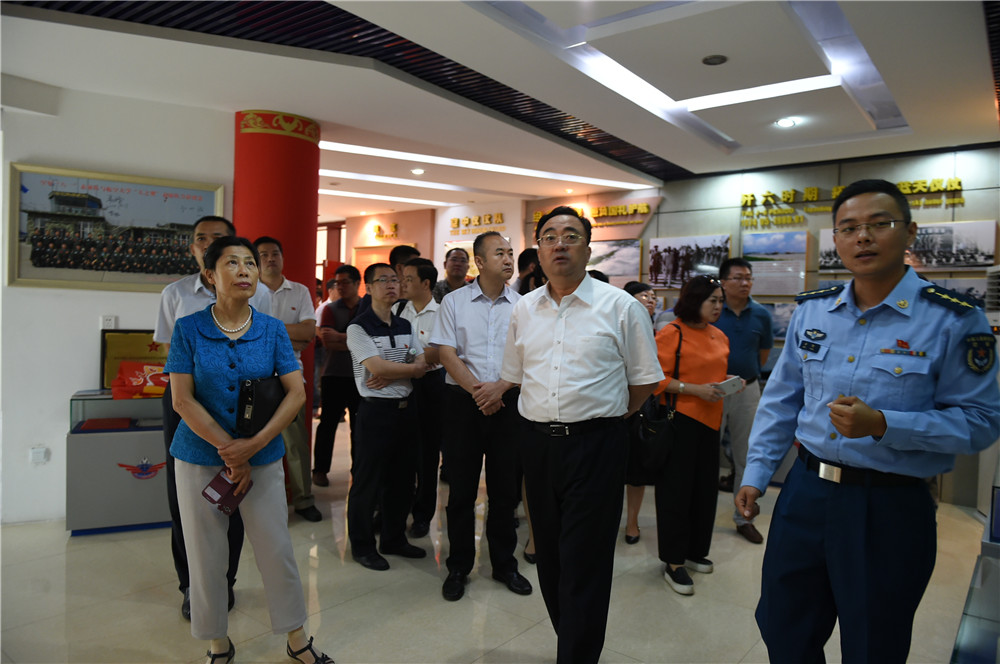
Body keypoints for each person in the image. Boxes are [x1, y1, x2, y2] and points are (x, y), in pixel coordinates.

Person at [736, 179, 1000, 663]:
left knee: (874, 642)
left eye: (880, 224)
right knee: (782, 626)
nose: (863, 237)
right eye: (849, 228)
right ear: (835, 239)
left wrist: (885, 424)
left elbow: (981, 422)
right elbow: (781, 401)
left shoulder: (954, 320)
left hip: (890, 507)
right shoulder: (814, 310)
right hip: (805, 494)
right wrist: (756, 473)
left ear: (909, 233)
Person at [500, 206, 663, 664]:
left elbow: (645, 381)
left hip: (597, 444)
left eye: (571, 236)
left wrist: (607, 418)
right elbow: (517, 376)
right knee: (549, 558)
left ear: (588, 249)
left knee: (585, 562)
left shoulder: (621, 307)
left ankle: (576, 655)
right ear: (538, 248)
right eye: (549, 236)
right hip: (537, 443)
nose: (559, 244)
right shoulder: (525, 309)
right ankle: (571, 642)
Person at [164, 236, 332, 664]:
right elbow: (181, 400)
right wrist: (228, 449)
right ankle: (217, 642)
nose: (245, 271)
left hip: (263, 457)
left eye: (250, 264)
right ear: (209, 275)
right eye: (232, 263)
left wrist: (253, 445)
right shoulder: (188, 329)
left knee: (276, 549)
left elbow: (296, 393)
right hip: (199, 457)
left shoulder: (272, 329)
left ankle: (297, 640)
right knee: (205, 553)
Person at [153, 215, 272, 620]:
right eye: (201, 239)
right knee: (183, 494)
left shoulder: (260, 292)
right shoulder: (176, 294)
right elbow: (170, 351)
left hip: (245, 401)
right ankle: (192, 585)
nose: (208, 243)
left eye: (218, 238)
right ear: (194, 250)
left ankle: (225, 581)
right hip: (186, 398)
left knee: (234, 492)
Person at [431, 231, 531, 601]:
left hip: (509, 404)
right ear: (480, 261)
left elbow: (528, 357)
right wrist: (479, 391)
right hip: (463, 405)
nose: (508, 259)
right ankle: (458, 565)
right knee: (461, 491)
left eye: (510, 253)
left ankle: (504, 564)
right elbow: (446, 353)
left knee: (505, 492)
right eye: (500, 253)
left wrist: (499, 389)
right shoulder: (455, 302)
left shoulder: (524, 305)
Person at [653, 276, 737, 595]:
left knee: (704, 491)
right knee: (676, 491)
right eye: (712, 300)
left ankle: (694, 551)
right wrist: (694, 389)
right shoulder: (672, 333)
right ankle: (673, 561)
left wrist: (727, 381)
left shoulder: (719, 335)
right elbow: (654, 379)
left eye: (720, 300)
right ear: (694, 300)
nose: (718, 306)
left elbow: (712, 372)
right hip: (680, 420)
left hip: (711, 422)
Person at [346, 263, 429, 571]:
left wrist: (395, 371)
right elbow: (378, 370)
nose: (392, 285)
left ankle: (393, 538)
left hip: (406, 412)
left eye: (396, 280)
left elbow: (421, 363)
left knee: (403, 480)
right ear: (369, 287)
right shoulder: (358, 327)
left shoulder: (405, 324)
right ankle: (363, 545)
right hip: (375, 412)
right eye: (384, 280)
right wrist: (403, 370)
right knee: (368, 481)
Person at [254, 236, 321, 523]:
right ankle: (262, 502)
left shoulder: (300, 291)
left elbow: (308, 334)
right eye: (264, 254)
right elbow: (241, 335)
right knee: (255, 442)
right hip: (253, 377)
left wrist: (266, 328)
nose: (270, 258)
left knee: (295, 442)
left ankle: (304, 499)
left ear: (282, 258)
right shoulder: (247, 290)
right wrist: (288, 334)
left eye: (275, 253)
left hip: (289, 376)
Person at [714, 257, 772, 544]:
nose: (745, 282)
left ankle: (743, 518)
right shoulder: (712, 310)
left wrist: (745, 377)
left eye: (748, 277)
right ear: (723, 282)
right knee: (707, 454)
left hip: (748, 390)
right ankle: (699, 514)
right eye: (737, 277)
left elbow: (763, 353)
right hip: (713, 390)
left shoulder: (761, 314)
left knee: (746, 455)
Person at [397, 257, 444, 538]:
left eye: (409, 279)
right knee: (401, 451)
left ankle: (423, 514)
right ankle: (397, 509)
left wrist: (398, 359)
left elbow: (437, 353)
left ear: (426, 283)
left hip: (430, 386)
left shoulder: (441, 314)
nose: (403, 284)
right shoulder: (398, 310)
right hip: (400, 383)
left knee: (427, 454)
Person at [313, 266, 362, 487]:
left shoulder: (367, 307)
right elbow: (327, 341)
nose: (339, 287)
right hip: (333, 374)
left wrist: (342, 337)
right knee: (327, 425)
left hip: (361, 376)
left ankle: (359, 469)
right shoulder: (330, 309)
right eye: (337, 282)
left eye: (345, 282)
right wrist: (358, 341)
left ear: (357, 283)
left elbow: (371, 343)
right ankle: (320, 470)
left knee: (360, 427)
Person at [621, 281, 657, 545]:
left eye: (654, 296)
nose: (651, 299)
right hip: (613, 405)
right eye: (645, 295)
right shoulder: (619, 323)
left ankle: (632, 521)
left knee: (637, 469)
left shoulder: (660, 330)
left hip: (640, 407)